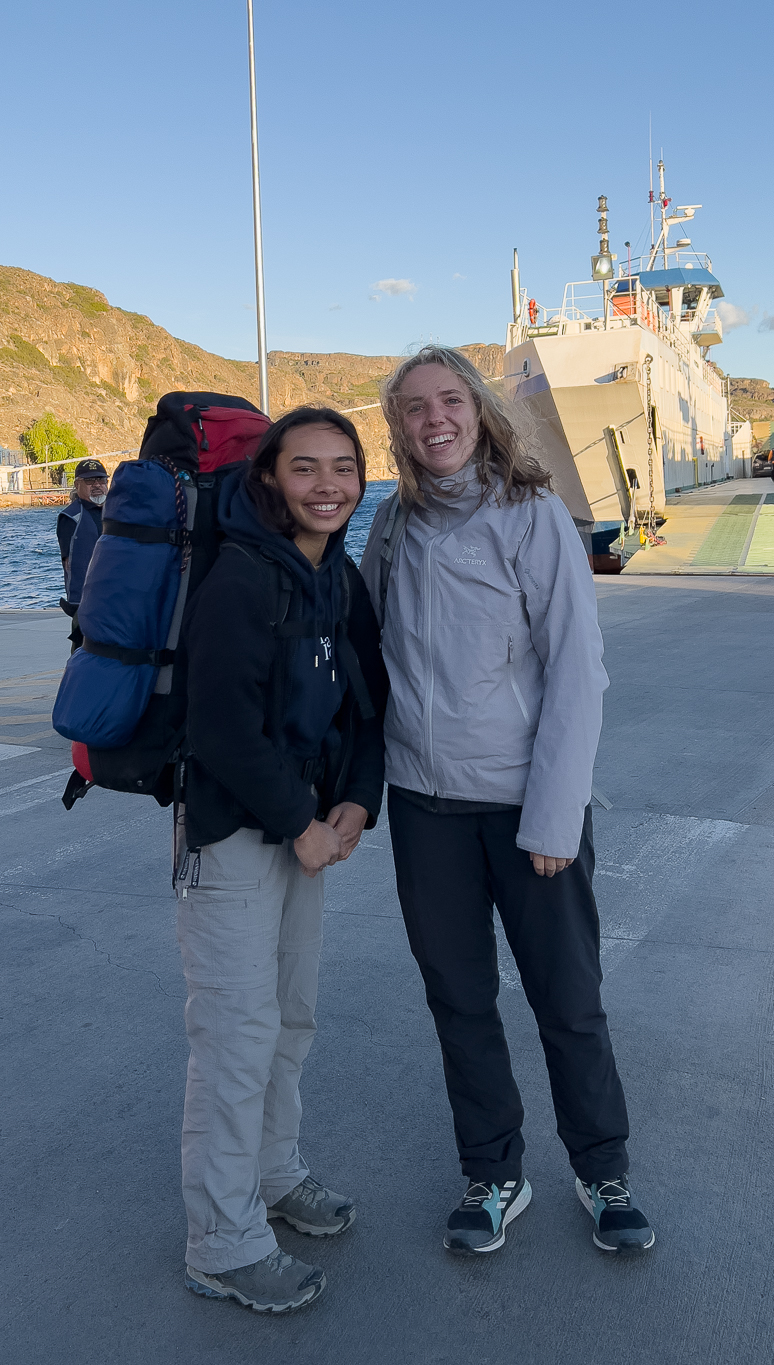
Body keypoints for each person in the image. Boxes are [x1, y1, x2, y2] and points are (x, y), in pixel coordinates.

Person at [360, 346, 654, 1257]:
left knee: (568, 998)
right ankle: (493, 1173)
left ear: (482, 410)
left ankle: (602, 1166)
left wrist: (556, 815)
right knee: (460, 997)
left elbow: (577, 672)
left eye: (450, 400)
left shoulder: (531, 517)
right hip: (425, 807)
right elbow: (363, 660)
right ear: (399, 428)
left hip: (529, 809)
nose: (433, 419)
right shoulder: (394, 526)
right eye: (413, 408)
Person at [175, 406, 386, 1314]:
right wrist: (301, 818)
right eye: (306, 468)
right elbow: (217, 724)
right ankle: (220, 1240)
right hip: (232, 833)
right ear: (269, 478)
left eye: (343, 468)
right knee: (235, 1035)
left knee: (290, 1017)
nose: (328, 486)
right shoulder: (240, 577)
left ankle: (272, 1173)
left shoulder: (335, 575)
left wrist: (356, 800)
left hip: (305, 829)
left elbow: (369, 703)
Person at [56, 457, 109, 649]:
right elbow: (69, 562)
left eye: (101, 480)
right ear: (77, 484)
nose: (97, 485)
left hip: (115, 596)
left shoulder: (117, 512)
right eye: (89, 481)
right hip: (86, 601)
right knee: (83, 652)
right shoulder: (70, 517)